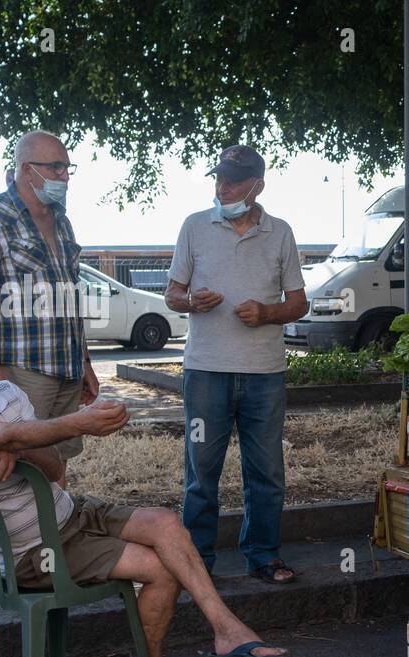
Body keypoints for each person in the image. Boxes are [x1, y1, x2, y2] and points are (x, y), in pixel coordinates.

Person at [0, 318, 290, 657]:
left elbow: (54, 469)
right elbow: (9, 435)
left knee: (165, 521)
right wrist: (68, 425)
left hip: (68, 514)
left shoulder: (7, 394)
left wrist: (17, 446)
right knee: (160, 567)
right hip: (31, 553)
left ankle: (225, 630)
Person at [165, 145, 309, 584]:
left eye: (231, 181)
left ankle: (263, 555)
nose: (221, 188)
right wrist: (190, 302)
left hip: (265, 374)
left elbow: (299, 303)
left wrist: (267, 314)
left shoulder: (280, 232)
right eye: (219, 179)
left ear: (257, 186)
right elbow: (172, 295)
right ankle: (197, 564)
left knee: (267, 472)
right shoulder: (194, 226)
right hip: (206, 371)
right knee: (200, 471)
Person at [0, 130, 96, 471]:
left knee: (57, 465)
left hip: (67, 366)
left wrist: (85, 363)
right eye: (56, 167)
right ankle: (25, 526)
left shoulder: (62, 222)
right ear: (26, 169)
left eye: (67, 167)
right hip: (21, 369)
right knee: (23, 460)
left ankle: (56, 524)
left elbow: (69, 296)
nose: (64, 176)